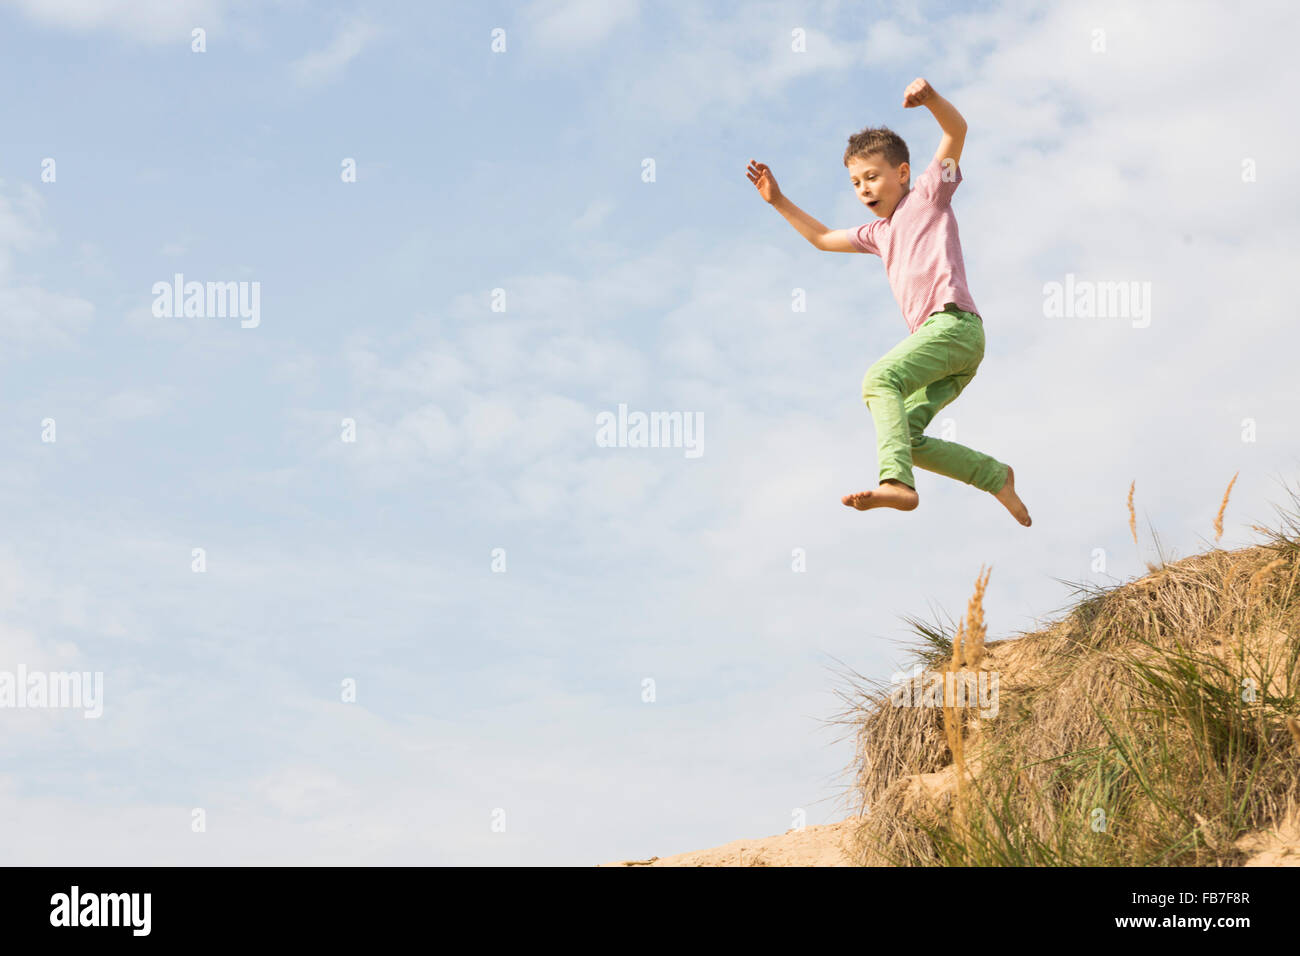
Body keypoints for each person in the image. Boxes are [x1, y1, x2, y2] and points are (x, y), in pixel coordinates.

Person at [746, 77, 1030, 526]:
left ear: (901, 173)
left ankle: (897, 484)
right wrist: (778, 200)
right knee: (905, 435)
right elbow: (822, 238)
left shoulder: (930, 194)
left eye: (872, 177)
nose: (864, 188)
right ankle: (994, 475)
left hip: (953, 326)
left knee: (880, 380)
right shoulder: (877, 234)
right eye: (856, 182)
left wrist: (930, 100)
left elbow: (956, 131)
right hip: (945, 350)